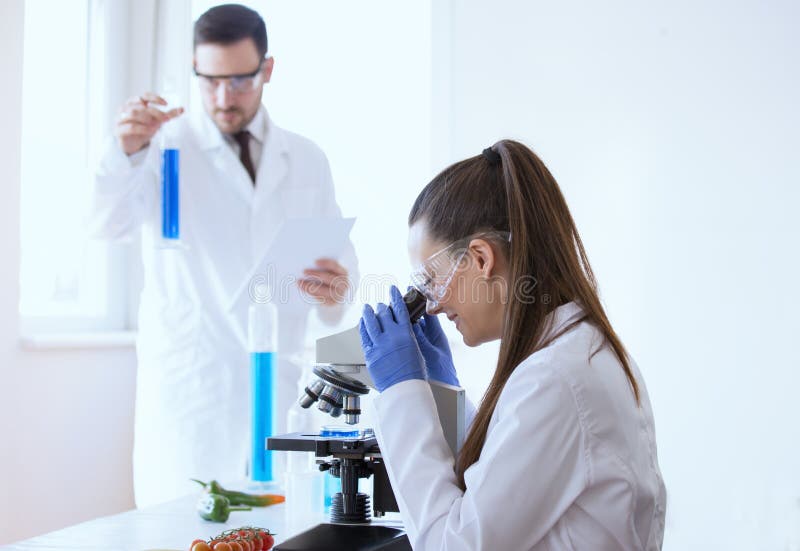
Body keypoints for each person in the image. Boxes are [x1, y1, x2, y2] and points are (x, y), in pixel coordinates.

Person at [91, 4, 357, 507]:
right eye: (210, 81)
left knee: (280, 527)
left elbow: (338, 266)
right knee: (182, 529)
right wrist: (124, 152)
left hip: (277, 388)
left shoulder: (306, 159)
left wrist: (335, 290)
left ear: (267, 70)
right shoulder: (161, 147)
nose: (223, 98)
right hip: (193, 396)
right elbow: (109, 224)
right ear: (195, 69)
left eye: (239, 81)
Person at [358, 140, 665, 550]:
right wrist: (441, 388)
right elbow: (501, 476)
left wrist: (401, 392)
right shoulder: (573, 354)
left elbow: (453, 545)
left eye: (431, 280)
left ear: (481, 258)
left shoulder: (555, 379)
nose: (431, 306)